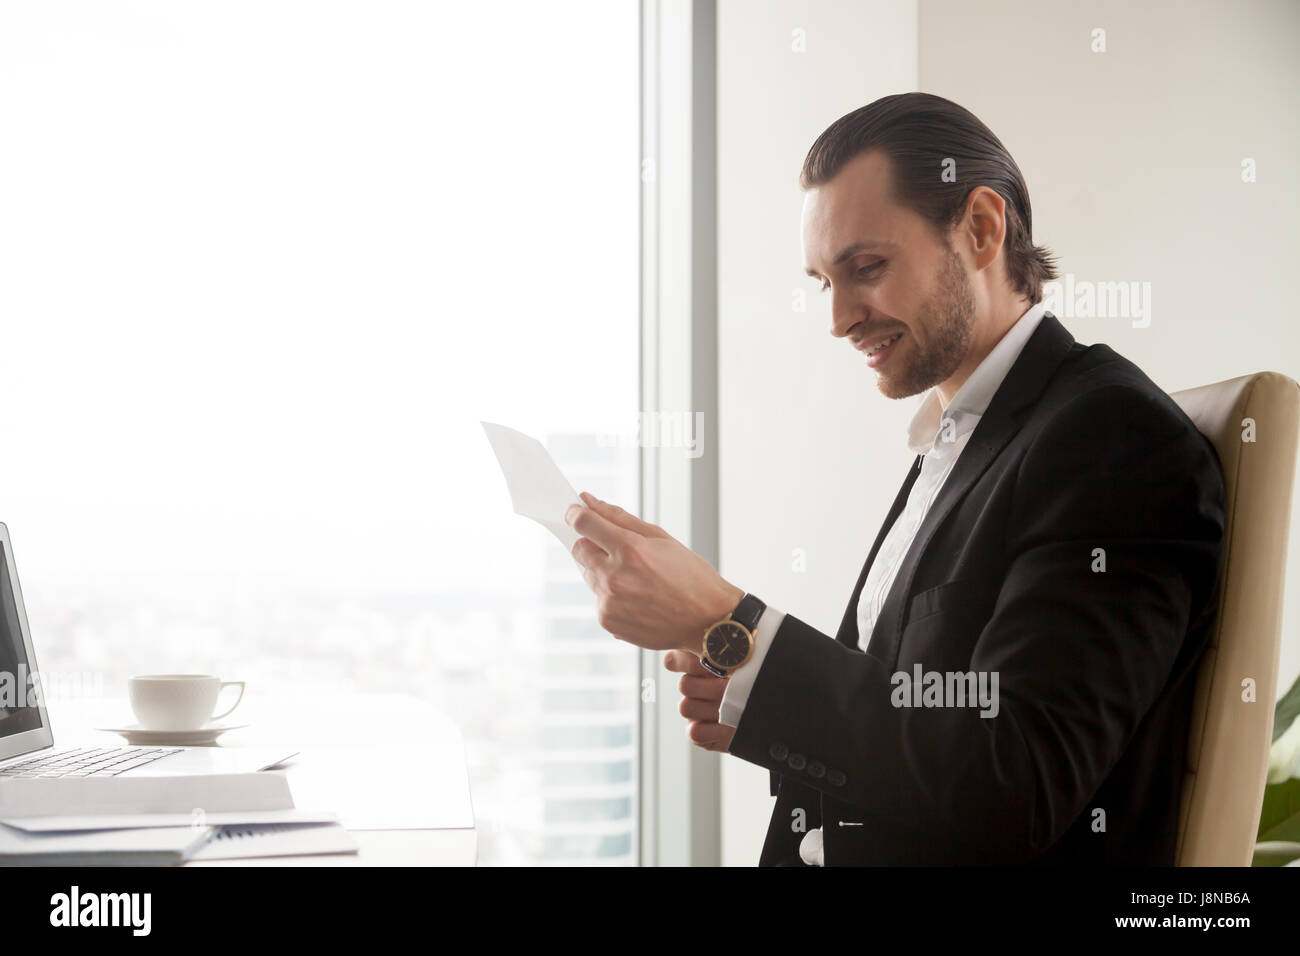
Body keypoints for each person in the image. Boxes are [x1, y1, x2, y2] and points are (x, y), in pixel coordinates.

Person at [565, 92, 1226, 865]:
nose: (840, 317)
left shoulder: (1110, 440)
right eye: (823, 282)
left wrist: (737, 627)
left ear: (982, 228)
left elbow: (1016, 780)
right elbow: (919, 729)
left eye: (867, 268)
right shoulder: (964, 442)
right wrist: (740, 663)